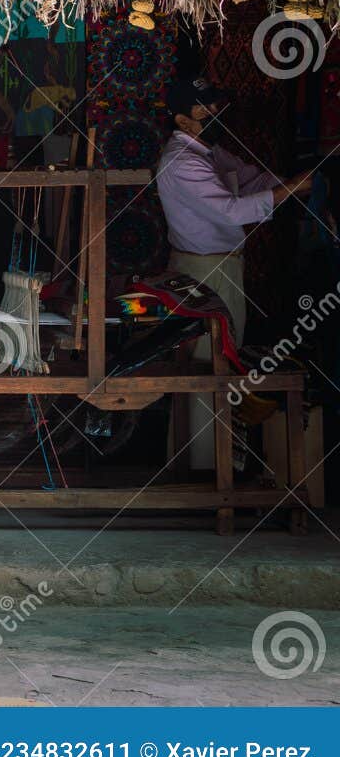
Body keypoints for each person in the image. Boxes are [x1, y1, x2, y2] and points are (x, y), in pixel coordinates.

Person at [154, 73, 310, 466]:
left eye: (217, 104)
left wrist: (293, 183)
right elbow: (233, 211)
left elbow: (252, 179)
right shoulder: (181, 162)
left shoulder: (210, 153)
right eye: (205, 108)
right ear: (182, 121)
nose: (215, 112)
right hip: (201, 275)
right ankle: (206, 474)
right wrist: (292, 189)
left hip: (223, 271)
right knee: (209, 370)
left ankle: (224, 467)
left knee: (227, 364)